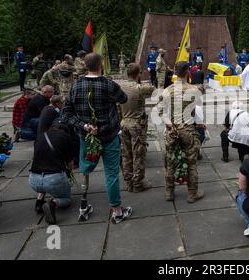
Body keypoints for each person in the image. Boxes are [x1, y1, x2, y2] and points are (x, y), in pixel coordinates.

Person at [63, 53, 131, 223]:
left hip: (86, 137)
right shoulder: (108, 84)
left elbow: (66, 113)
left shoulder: (75, 86)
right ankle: (117, 210)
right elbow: (123, 98)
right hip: (109, 136)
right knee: (111, 174)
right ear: (101, 65)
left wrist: (84, 126)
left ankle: (84, 205)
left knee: (85, 170)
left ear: (85, 65)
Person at [159, 61, 204, 203]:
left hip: (172, 131)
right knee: (191, 162)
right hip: (189, 131)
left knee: (170, 162)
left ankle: (169, 193)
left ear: (174, 73)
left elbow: (161, 112)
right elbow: (197, 107)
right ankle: (192, 194)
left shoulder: (166, 91)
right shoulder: (194, 90)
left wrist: (169, 124)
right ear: (188, 72)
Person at [28, 122, 74, 224]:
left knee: (43, 176)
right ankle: (52, 203)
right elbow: (70, 164)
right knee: (66, 199)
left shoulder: (40, 136)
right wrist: (68, 174)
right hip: (53, 180)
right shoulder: (65, 137)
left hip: (33, 180)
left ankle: (39, 201)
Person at [120, 63, 156, 193]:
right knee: (138, 154)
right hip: (136, 125)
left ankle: (129, 181)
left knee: (126, 154)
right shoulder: (140, 88)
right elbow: (153, 89)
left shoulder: (120, 87)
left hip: (124, 123)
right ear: (138, 74)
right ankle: (138, 183)